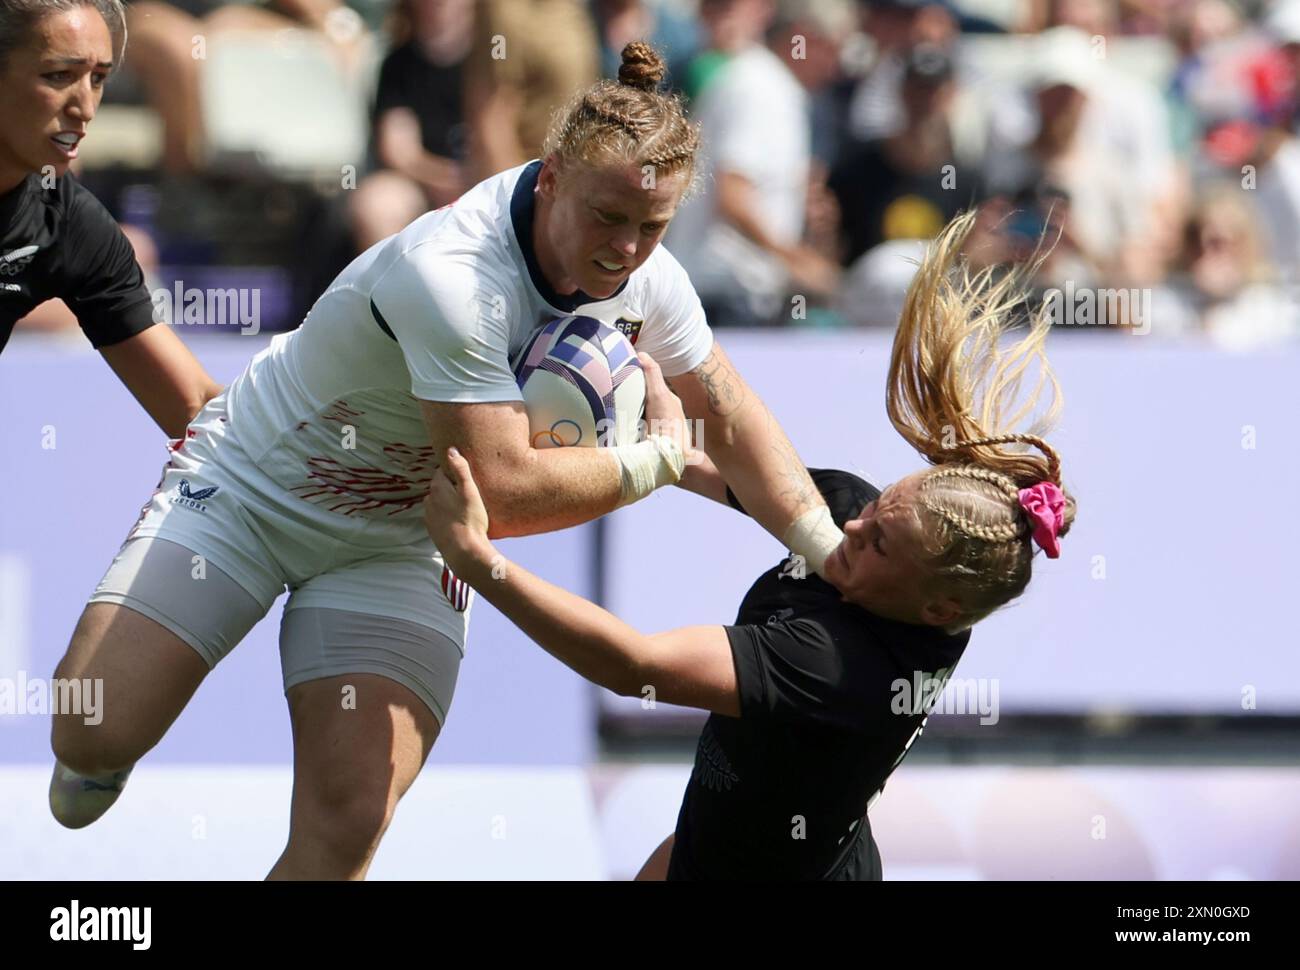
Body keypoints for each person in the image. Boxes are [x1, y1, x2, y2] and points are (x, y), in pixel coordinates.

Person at [47, 43, 849, 880]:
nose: (626, 251)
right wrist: (652, 460)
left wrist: (827, 549)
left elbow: (729, 411)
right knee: (91, 721)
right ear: (548, 179)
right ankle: (95, 753)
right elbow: (500, 494)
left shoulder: (655, 283)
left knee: (351, 817)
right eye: (607, 217)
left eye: (652, 227)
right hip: (256, 487)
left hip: (402, 540)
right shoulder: (456, 274)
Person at [424, 210, 1077, 880]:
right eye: (877, 510)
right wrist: (644, 443)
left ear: (939, 610)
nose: (851, 529)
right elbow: (730, 470)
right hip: (732, 848)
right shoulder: (862, 521)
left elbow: (633, 665)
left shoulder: (839, 666)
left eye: (881, 544)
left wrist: (484, 564)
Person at [0, 0, 222, 434]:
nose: (85, 108)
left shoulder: (68, 222)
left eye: (98, 78)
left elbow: (196, 411)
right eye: (58, 76)